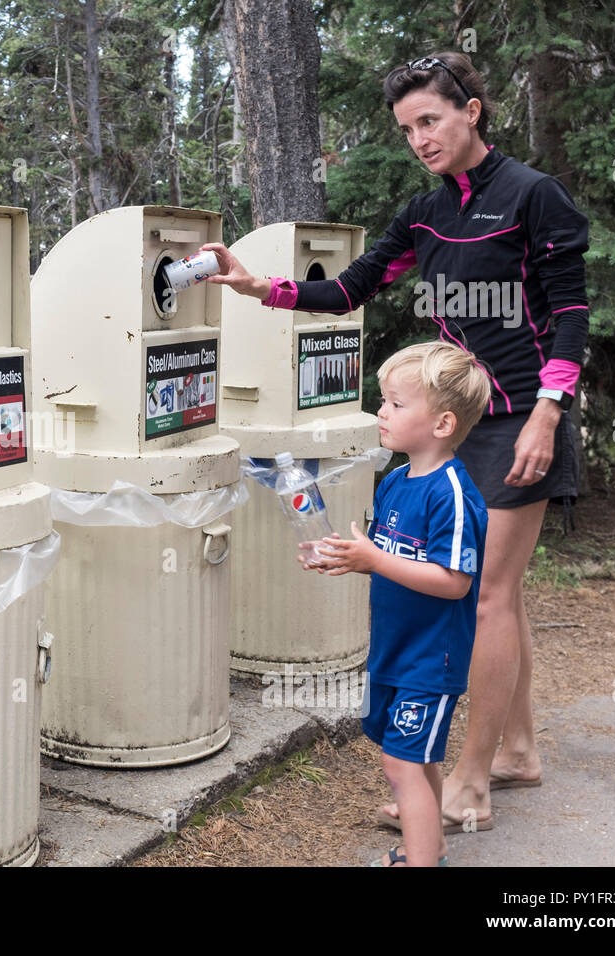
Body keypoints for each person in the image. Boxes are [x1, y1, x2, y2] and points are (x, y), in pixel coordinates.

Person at [200, 51, 589, 837]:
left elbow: (572, 313)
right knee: (498, 596)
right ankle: (518, 750)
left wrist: (550, 413)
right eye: (408, 128)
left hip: (519, 421)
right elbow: (351, 286)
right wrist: (260, 288)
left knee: (484, 596)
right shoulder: (426, 213)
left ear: (471, 111)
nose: (420, 138)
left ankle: (471, 782)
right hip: (457, 425)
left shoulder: (531, 197)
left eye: (431, 120)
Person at [301, 342, 491, 866]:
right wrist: (341, 555)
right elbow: (385, 555)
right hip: (394, 650)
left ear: (443, 423)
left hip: (432, 659)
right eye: (383, 400)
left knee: (401, 764)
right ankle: (426, 847)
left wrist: (374, 561)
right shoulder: (397, 482)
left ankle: (420, 860)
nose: (381, 411)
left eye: (396, 404)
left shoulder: (451, 493)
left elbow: (454, 581)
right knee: (416, 759)